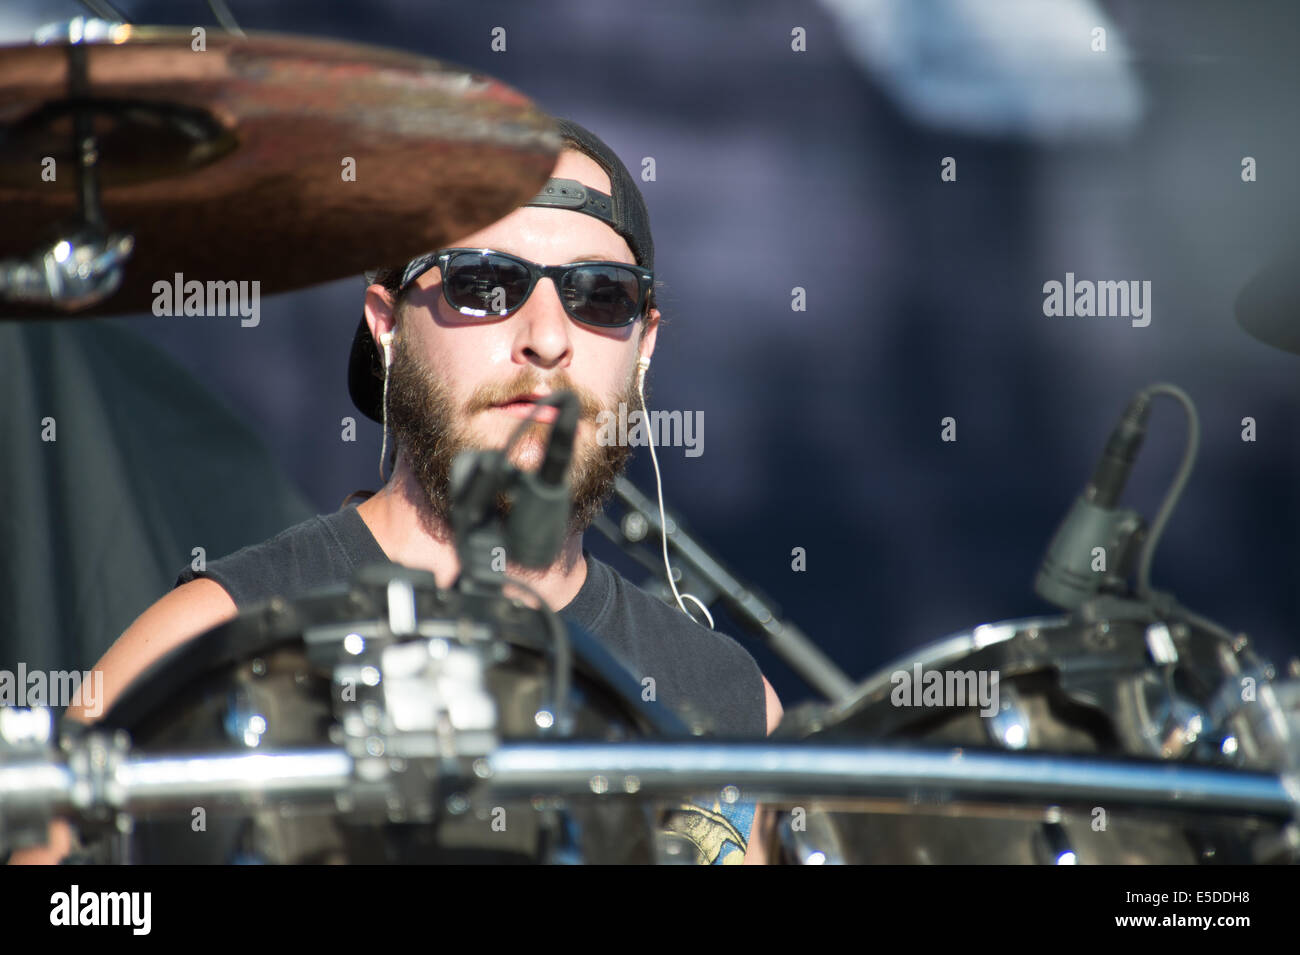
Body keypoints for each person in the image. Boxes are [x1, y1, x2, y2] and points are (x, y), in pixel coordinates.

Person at [11, 118, 781, 865]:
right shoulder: (210, 645)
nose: (547, 336)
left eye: (599, 295)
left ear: (643, 346)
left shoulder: (733, 703)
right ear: (387, 324)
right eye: (486, 283)